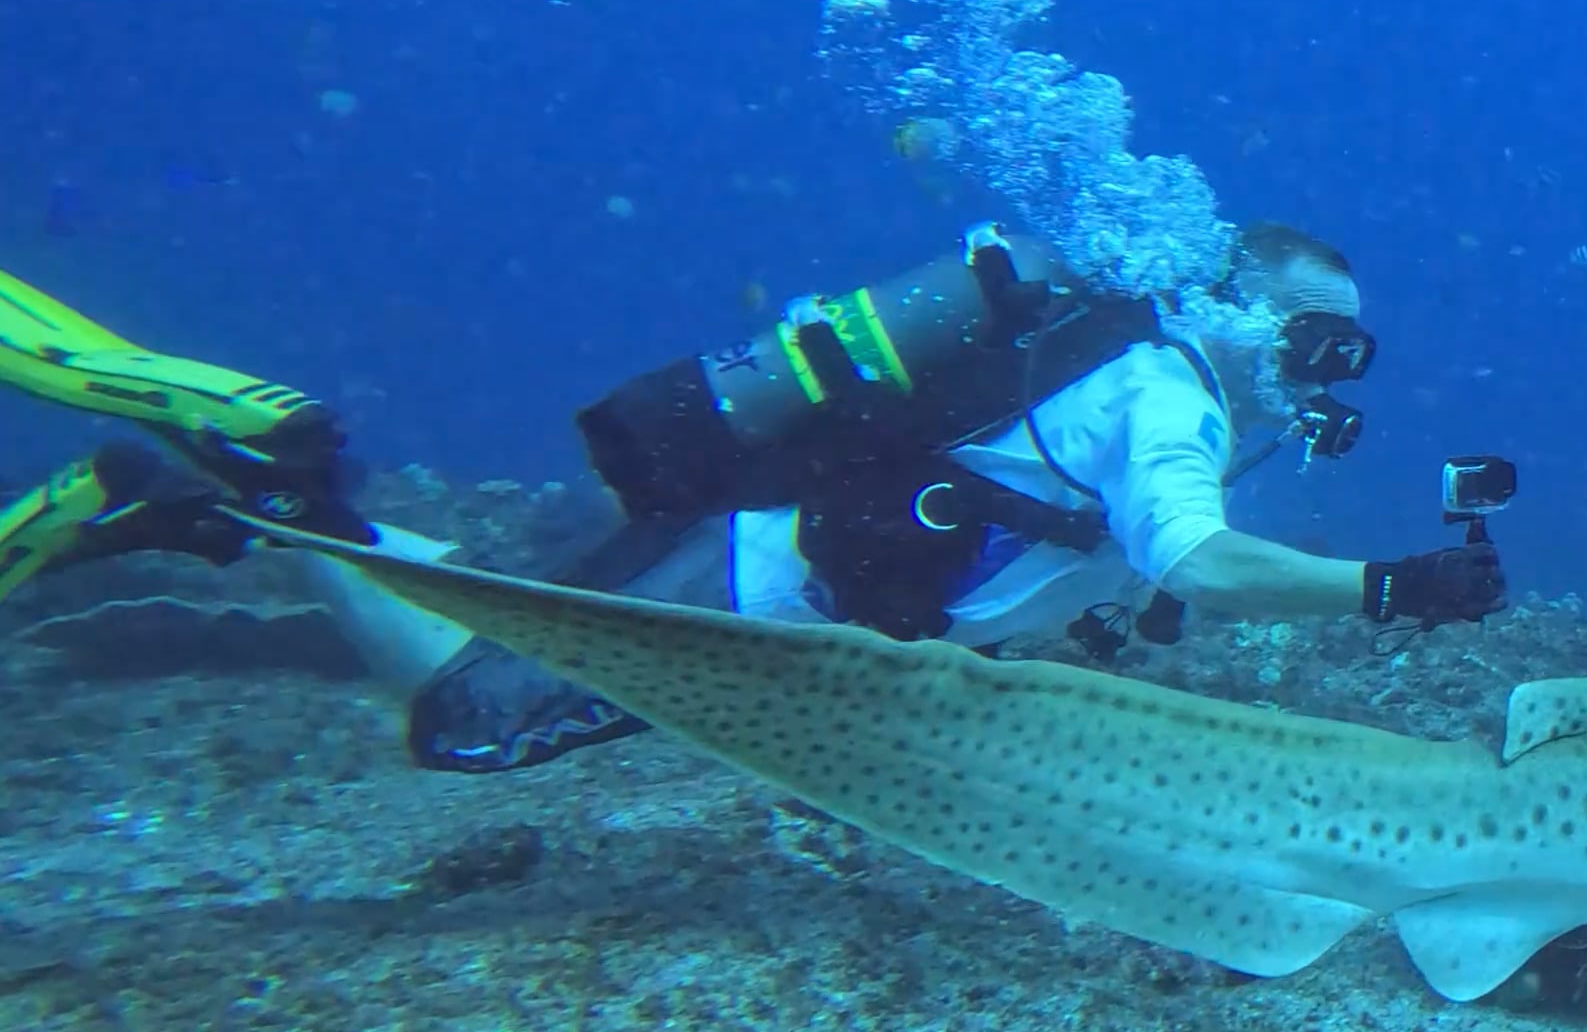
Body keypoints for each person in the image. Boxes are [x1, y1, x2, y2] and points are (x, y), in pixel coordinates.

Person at [0, 220, 1507, 771]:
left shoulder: (1151, 391)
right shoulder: (1170, 397)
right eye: (1320, 340)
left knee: (503, 620)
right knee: (469, 716)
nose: (1328, 376)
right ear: (1237, 307)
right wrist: (1389, 588)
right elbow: (1199, 561)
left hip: (762, 565)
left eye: (1346, 356)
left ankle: (196, 508)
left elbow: (1094, 560)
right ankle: (261, 480)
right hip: (746, 587)